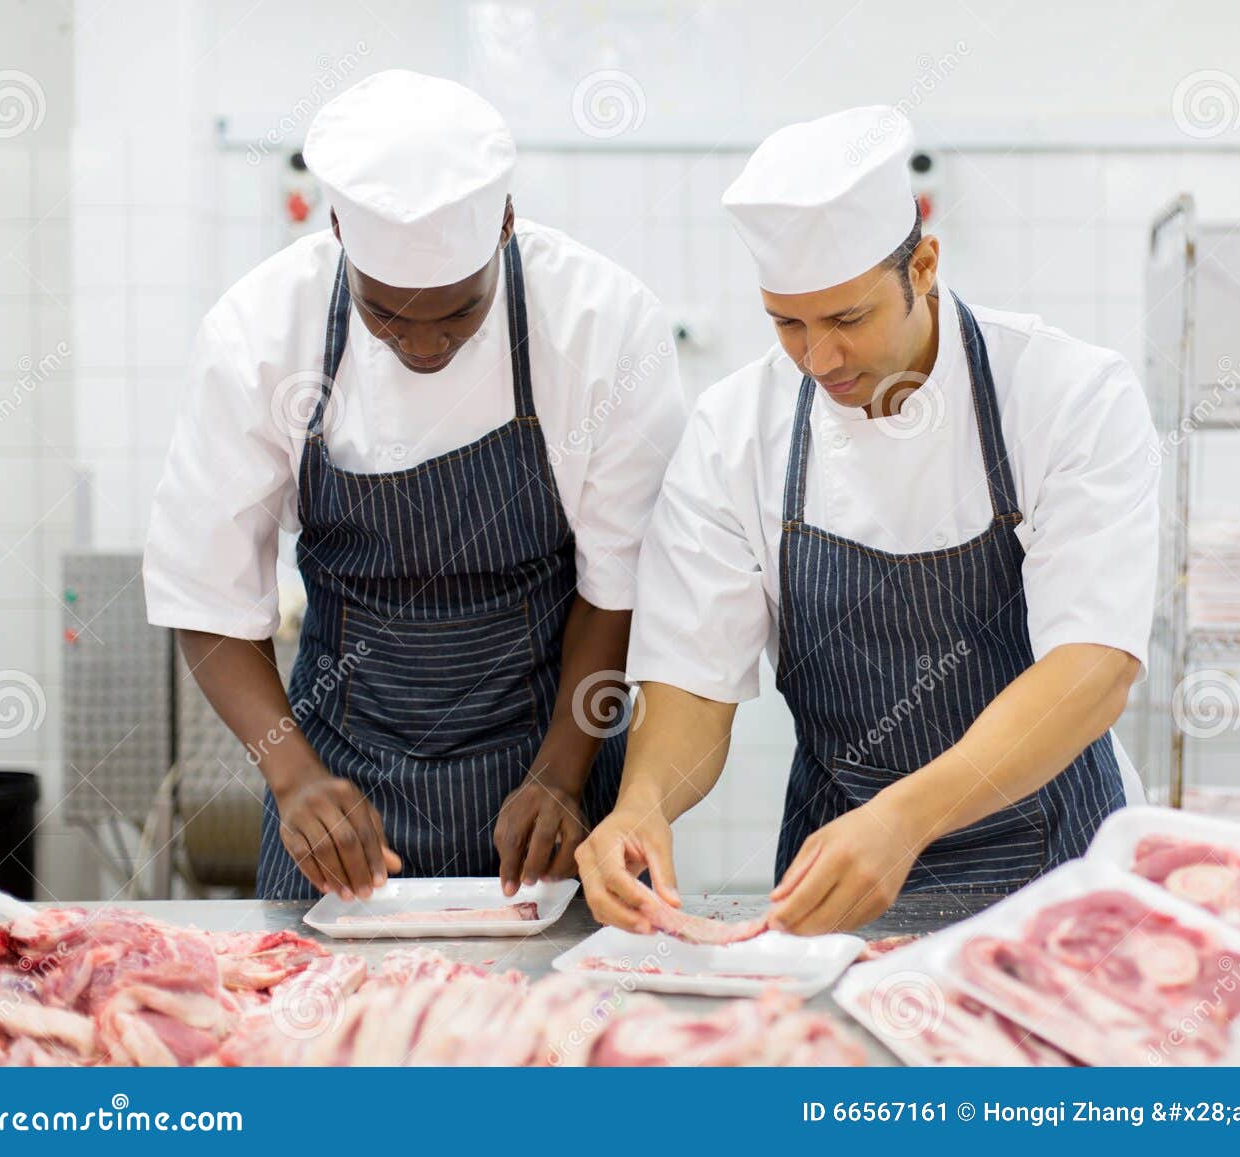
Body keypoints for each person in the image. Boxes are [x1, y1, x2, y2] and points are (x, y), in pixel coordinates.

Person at [578, 106, 1157, 935]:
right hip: (836, 878)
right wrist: (642, 802)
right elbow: (692, 678)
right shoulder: (735, 430)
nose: (821, 360)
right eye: (788, 324)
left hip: (1058, 868)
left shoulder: (1067, 393)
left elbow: (1094, 666)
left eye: (848, 319)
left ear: (923, 265)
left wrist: (906, 818)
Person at [144, 71, 685, 901]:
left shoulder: (600, 324)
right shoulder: (259, 332)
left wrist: (562, 775)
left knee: (564, 1023)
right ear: (338, 233)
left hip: (549, 775)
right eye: (389, 315)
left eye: (460, 314)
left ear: (505, 226)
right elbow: (207, 600)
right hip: (337, 773)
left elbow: (619, 588)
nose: (426, 345)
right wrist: (293, 779)